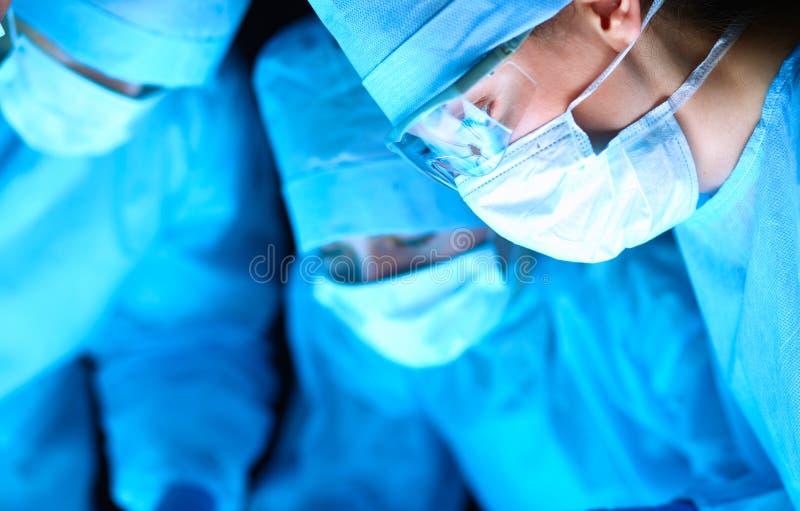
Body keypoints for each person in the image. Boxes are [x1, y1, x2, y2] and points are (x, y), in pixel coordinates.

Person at [251, 16, 785, 511]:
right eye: (339, 258)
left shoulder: (632, 299)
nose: (385, 285)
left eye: (412, 239)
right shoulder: (349, 311)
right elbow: (357, 468)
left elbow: (765, 471)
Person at [0, 1, 285, 510]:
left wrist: (183, 484)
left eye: (150, 81)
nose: (117, 99)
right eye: (84, 59)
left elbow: (182, 334)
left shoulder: (188, 114)